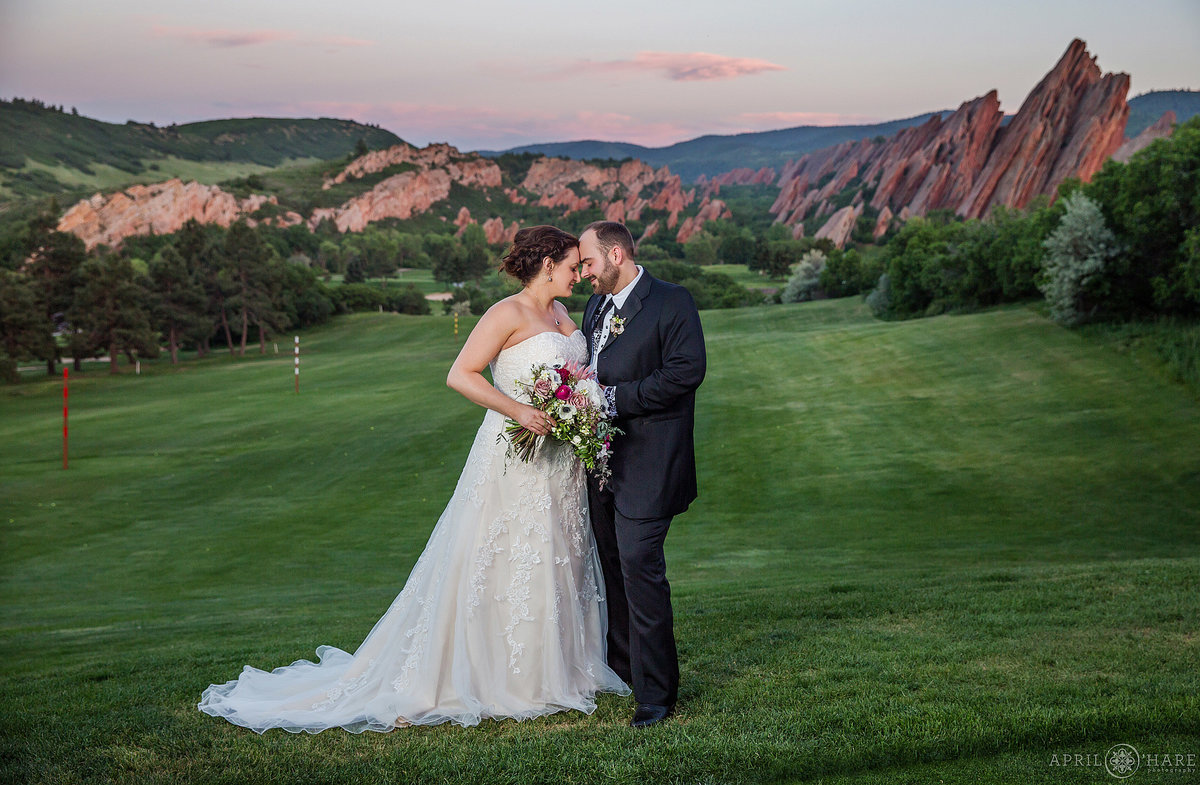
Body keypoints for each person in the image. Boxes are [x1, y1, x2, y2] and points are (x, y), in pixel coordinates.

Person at [198, 226, 630, 733]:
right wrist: (519, 409)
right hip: (514, 453)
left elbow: (577, 378)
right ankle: (502, 676)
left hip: (560, 463)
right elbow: (461, 374)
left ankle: (558, 670)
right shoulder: (506, 313)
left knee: (559, 554)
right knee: (507, 554)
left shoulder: (562, 315)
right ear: (548, 264)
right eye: (574, 265)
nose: (581, 274)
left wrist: (576, 411)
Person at [579, 221, 706, 728]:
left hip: (651, 465)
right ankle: (624, 670)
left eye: (588, 262)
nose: (583, 272)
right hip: (600, 466)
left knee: (640, 569)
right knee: (612, 570)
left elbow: (684, 372)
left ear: (616, 255)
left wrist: (612, 400)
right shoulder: (594, 307)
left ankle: (656, 695)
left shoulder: (672, 301)